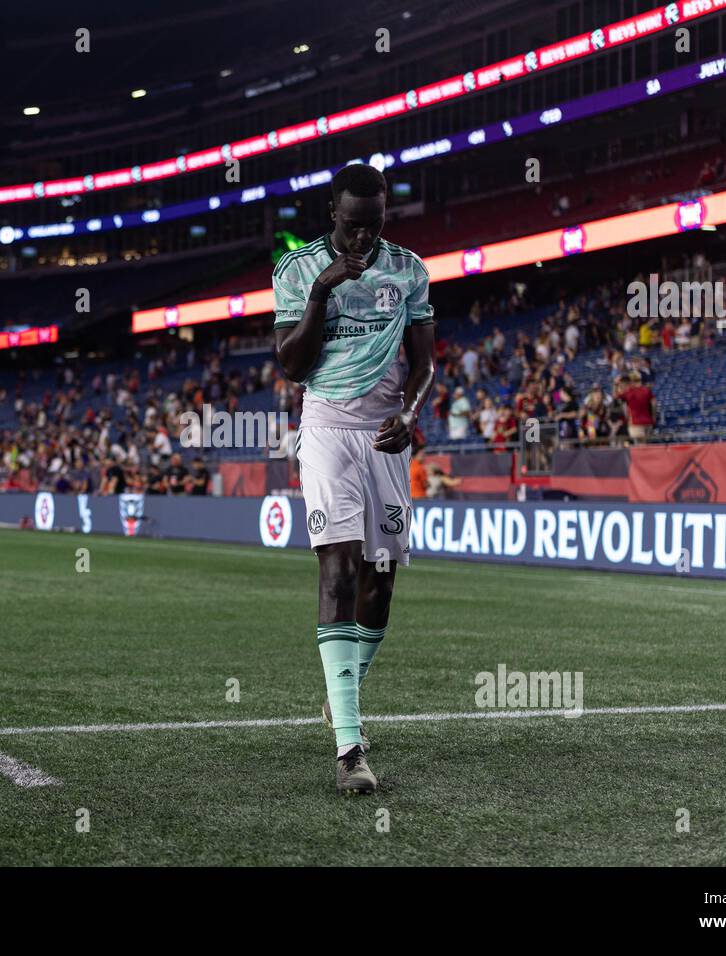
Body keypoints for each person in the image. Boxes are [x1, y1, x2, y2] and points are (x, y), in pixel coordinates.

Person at [273, 162, 435, 796]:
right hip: (328, 431)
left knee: (382, 581)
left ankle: (341, 696)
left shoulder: (410, 270)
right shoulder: (297, 270)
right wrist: (323, 290)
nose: (365, 239)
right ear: (332, 216)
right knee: (338, 569)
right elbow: (291, 363)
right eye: (354, 226)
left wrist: (411, 413)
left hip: (385, 434)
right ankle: (349, 747)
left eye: (376, 226)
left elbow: (424, 361)